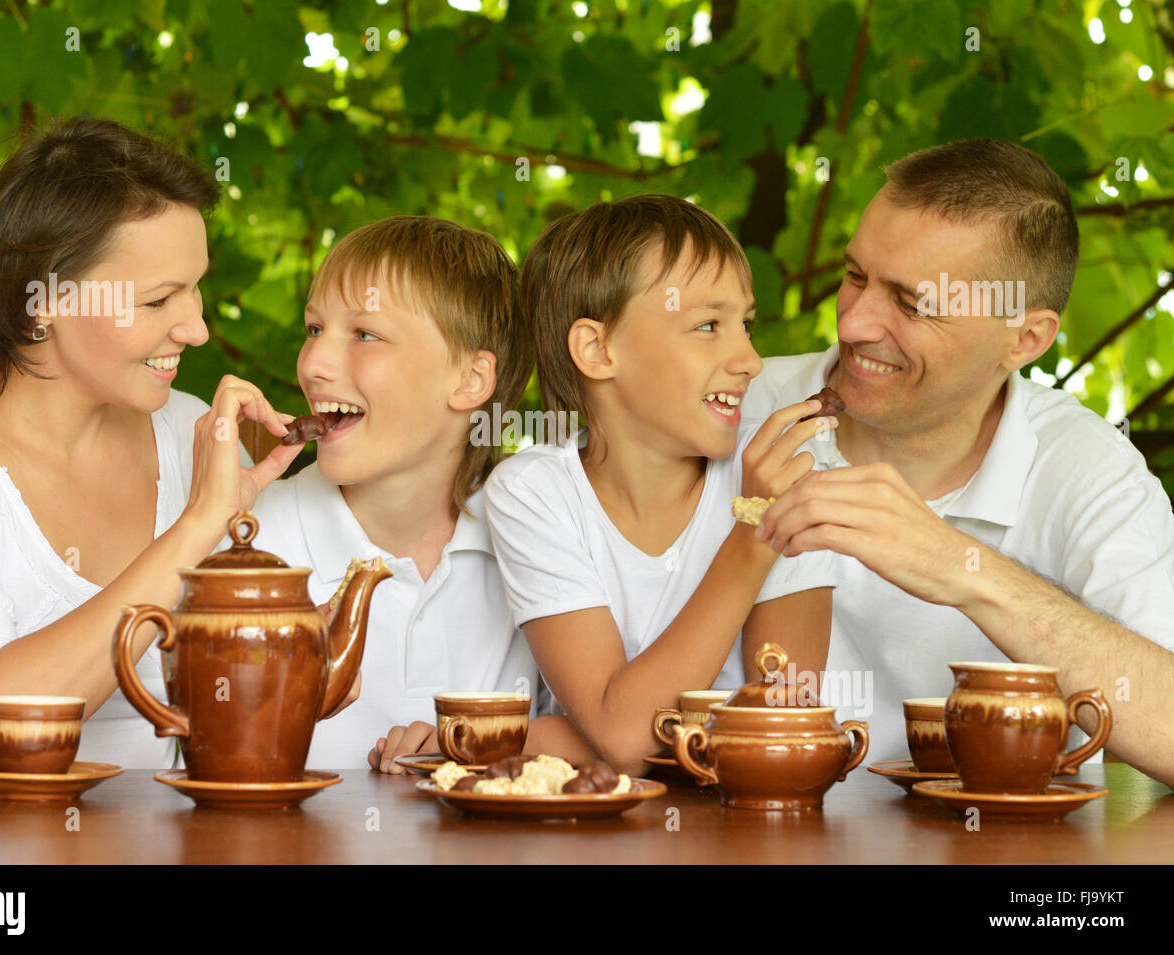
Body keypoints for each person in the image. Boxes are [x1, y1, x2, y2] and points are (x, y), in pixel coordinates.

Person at [0, 118, 304, 768]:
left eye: (196, 288)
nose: (196, 328)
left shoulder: (190, 432)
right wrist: (196, 527)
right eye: (159, 300)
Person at [743, 139, 1174, 786]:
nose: (855, 323)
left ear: (1025, 339)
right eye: (856, 275)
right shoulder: (734, 409)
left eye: (912, 304)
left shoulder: (1086, 470)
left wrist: (960, 566)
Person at [484, 195, 840, 775]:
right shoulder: (532, 493)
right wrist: (755, 531)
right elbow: (626, 739)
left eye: (746, 325)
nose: (750, 359)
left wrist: (538, 737)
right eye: (708, 325)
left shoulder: (786, 471)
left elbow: (784, 729)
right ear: (598, 351)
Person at [250, 216, 553, 772]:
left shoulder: (541, 539)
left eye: (365, 335)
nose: (313, 364)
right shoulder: (255, 544)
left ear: (469, 381)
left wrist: (484, 746)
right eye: (314, 329)